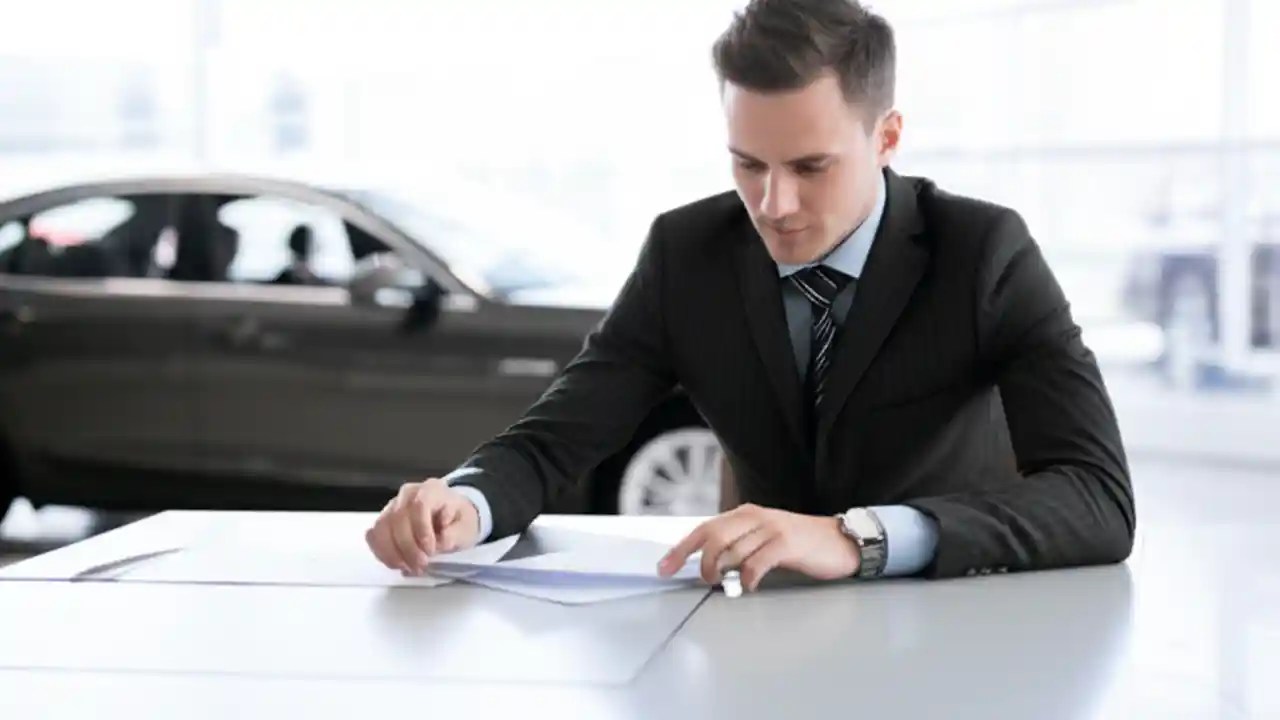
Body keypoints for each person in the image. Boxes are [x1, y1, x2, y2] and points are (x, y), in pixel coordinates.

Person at [366, 0, 1135, 591]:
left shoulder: (983, 253)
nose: (773, 205)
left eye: (810, 167)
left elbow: (1098, 499)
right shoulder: (686, 254)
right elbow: (553, 442)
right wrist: (465, 505)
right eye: (748, 164)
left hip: (953, 623)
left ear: (888, 138)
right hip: (759, 631)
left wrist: (858, 537)